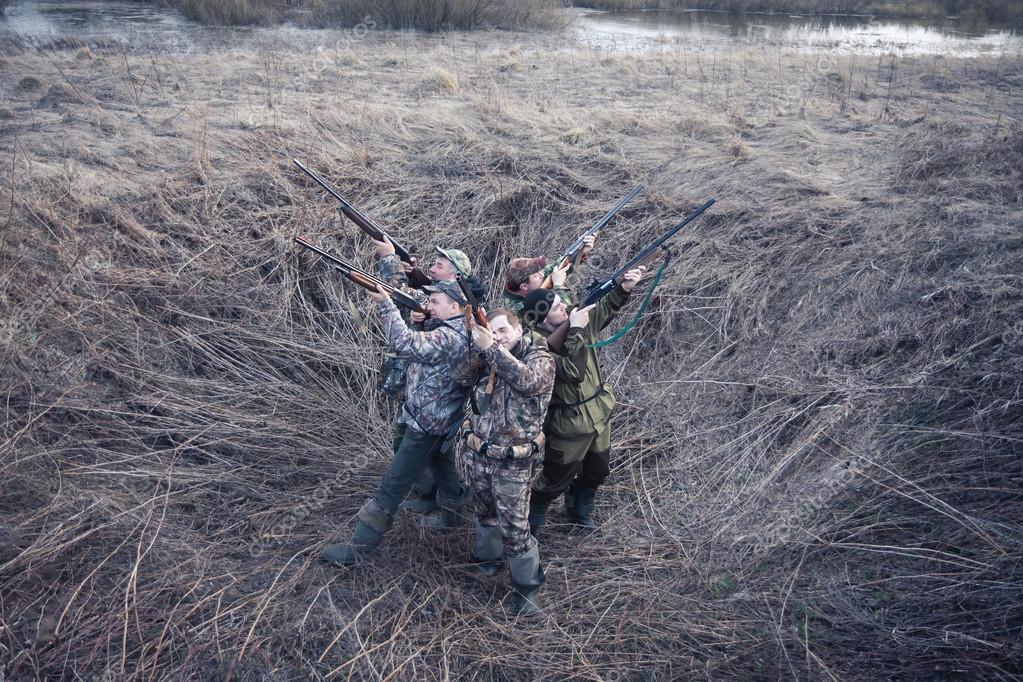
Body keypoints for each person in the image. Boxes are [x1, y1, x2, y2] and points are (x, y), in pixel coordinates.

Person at [320, 279, 474, 566]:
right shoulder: (459, 328)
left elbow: (403, 343)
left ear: (455, 307)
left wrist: (385, 305)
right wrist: (420, 318)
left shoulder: (449, 338)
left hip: (425, 427)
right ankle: (453, 519)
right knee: (443, 467)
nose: (430, 305)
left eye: (436, 302)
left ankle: (359, 549)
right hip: (440, 421)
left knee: (391, 486)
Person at [519, 266, 647, 534]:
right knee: (553, 481)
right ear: (542, 320)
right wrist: (576, 329)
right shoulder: (537, 348)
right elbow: (571, 372)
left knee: (597, 470)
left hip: (599, 413)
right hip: (568, 425)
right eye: (556, 307)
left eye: (560, 302)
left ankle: (579, 510)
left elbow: (602, 310)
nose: (564, 307)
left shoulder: (573, 320)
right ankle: (529, 525)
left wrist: (623, 289)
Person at [373, 238, 485, 519]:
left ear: (457, 280)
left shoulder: (457, 326)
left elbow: (405, 333)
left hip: (430, 416)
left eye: (439, 266)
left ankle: (365, 536)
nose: (432, 269)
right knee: (439, 459)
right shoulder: (455, 315)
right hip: (429, 409)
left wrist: (389, 262)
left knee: (396, 478)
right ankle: (451, 503)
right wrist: (423, 320)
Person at [461, 308, 554, 615]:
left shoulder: (540, 358)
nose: (498, 336)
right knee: (484, 512)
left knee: (514, 526)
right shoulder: (487, 355)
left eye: (504, 330)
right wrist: (474, 344)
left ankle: (527, 589)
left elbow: (528, 382)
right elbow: (459, 376)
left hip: (514, 462)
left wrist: (491, 347)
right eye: (493, 331)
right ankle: (488, 561)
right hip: (480, 453)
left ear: (519, 330)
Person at [501, 235, 596, 316]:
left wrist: (581, 251)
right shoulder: (518, 312)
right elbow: (568, 315)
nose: (541, 274)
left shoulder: (528, 281)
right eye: (536, 275)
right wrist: (558, 285)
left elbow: (557, 267)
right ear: (524, 286)